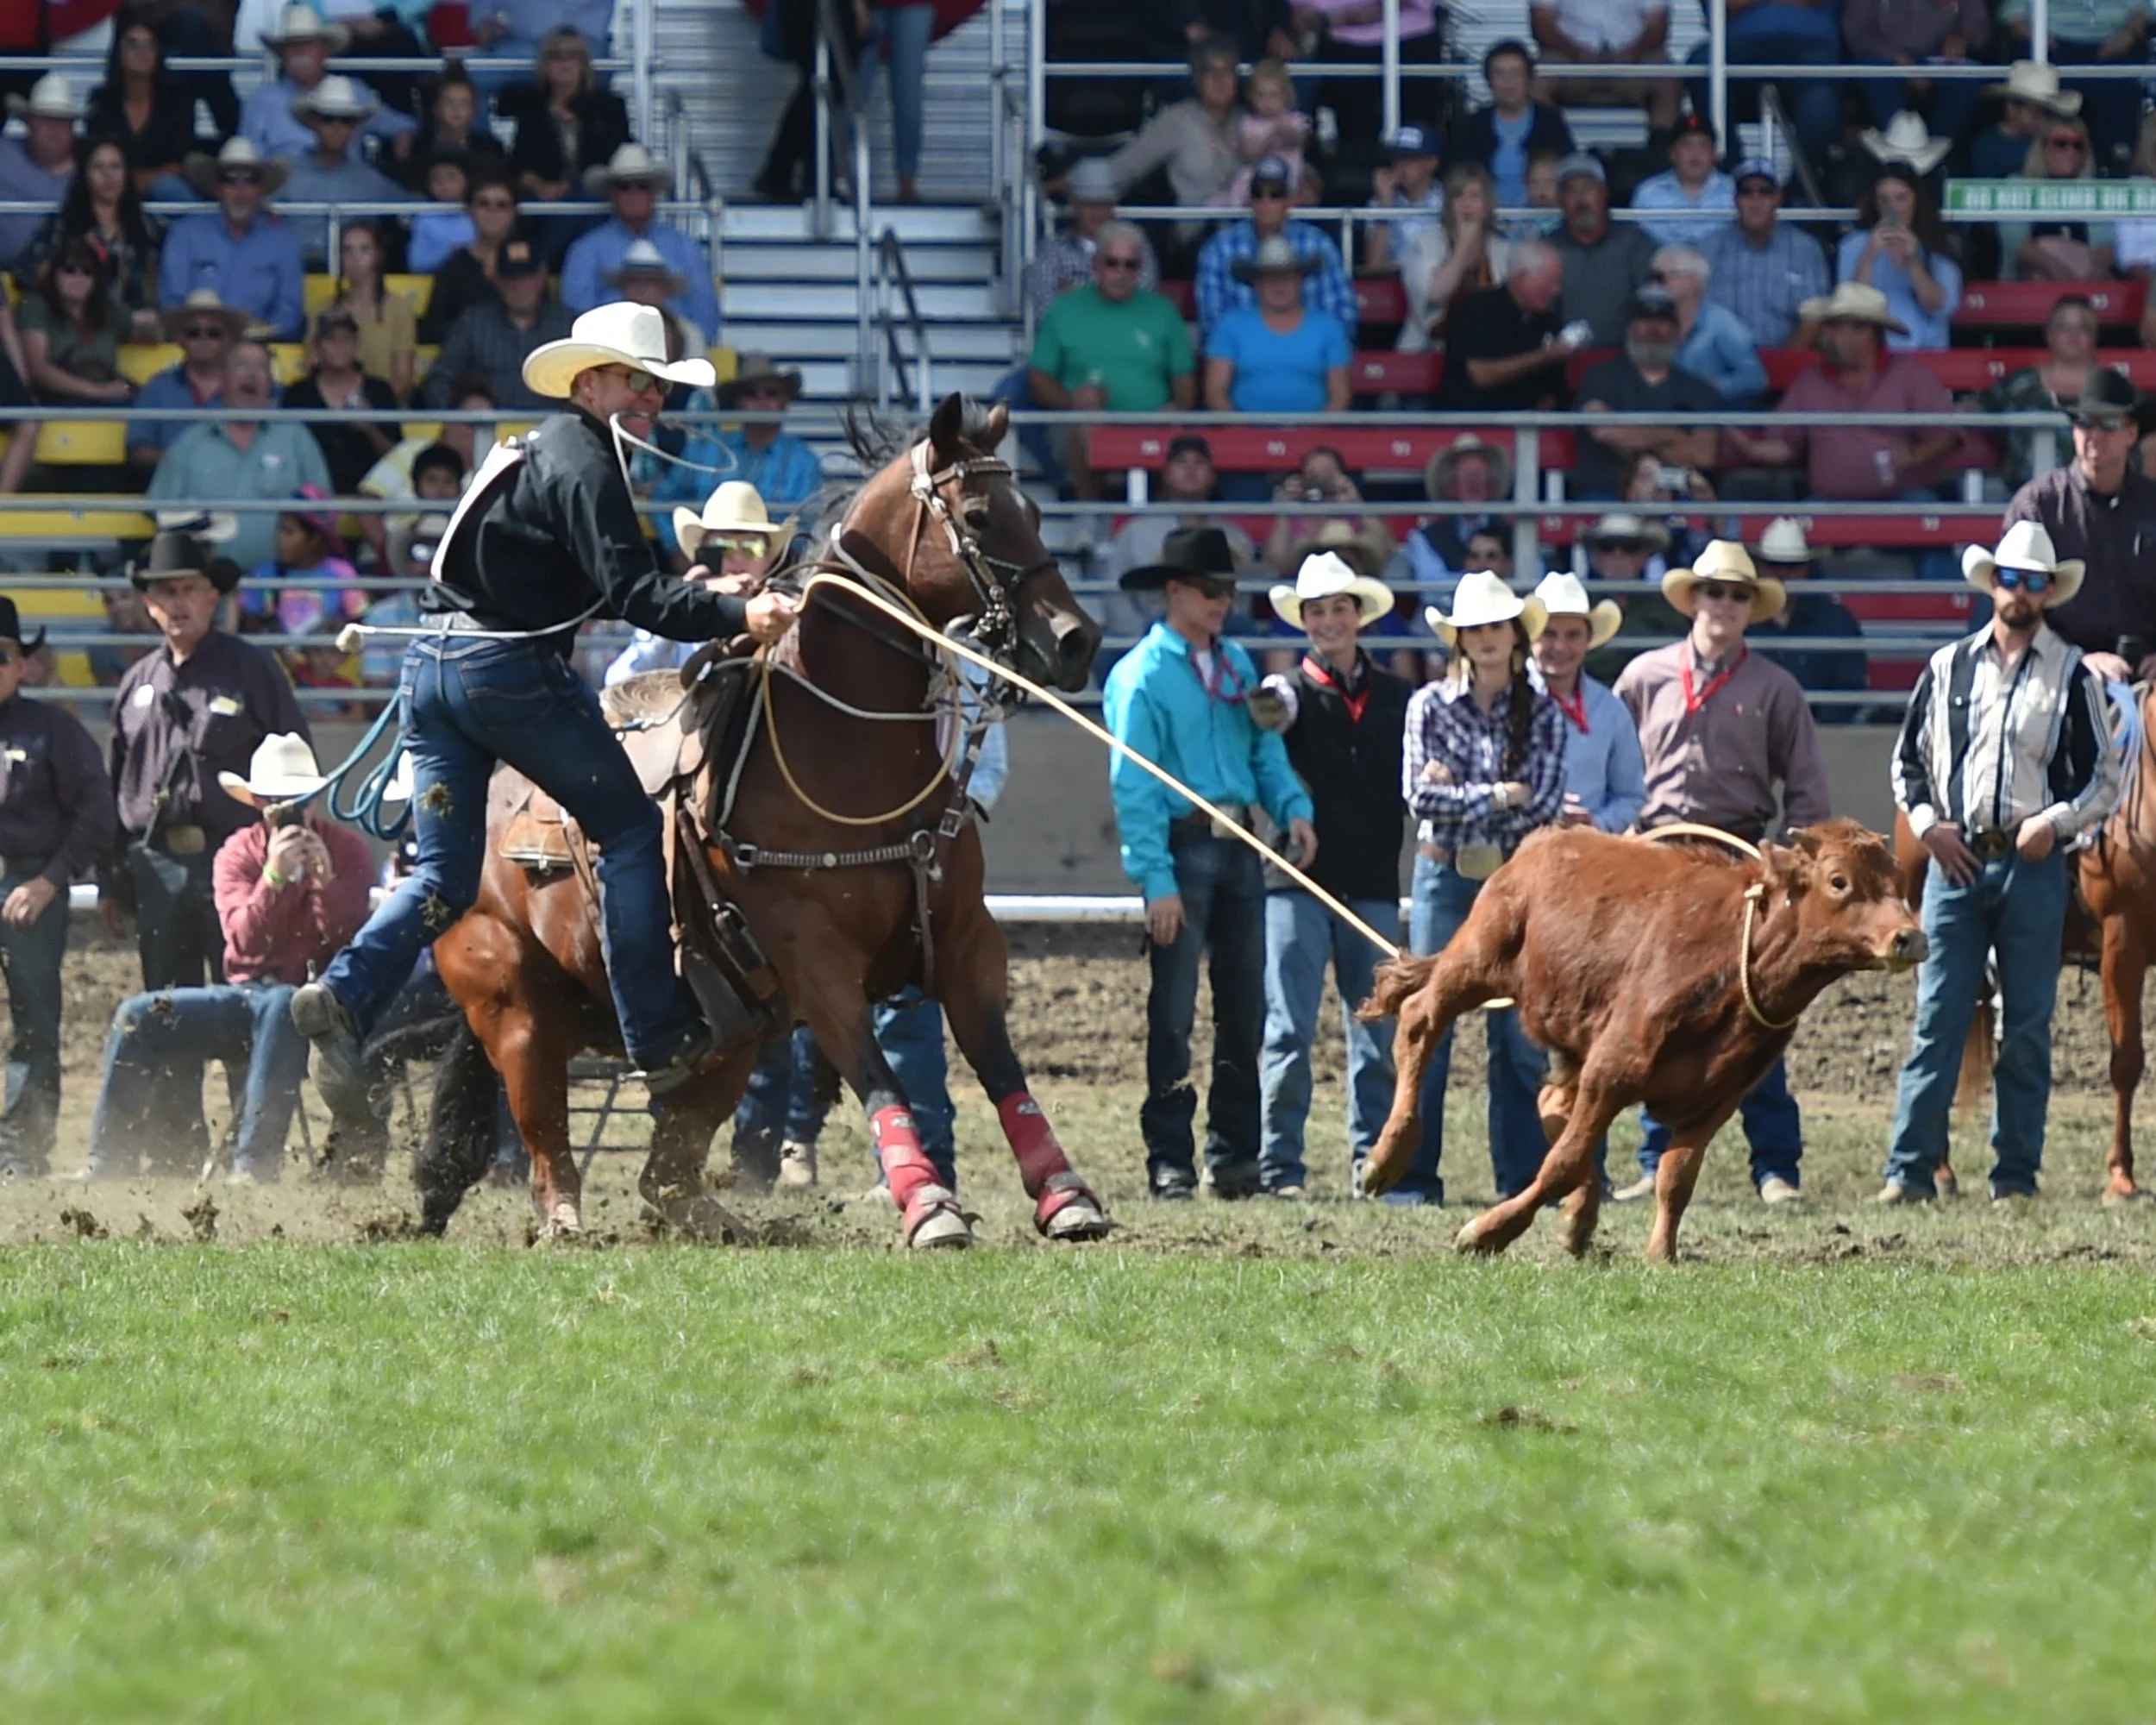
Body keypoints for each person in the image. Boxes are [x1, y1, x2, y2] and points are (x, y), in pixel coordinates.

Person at [289, 303, 802, 1117]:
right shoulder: (588, 460)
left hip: (433, 673)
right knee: (631, 830)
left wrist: (710, 598)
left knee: (445, 876)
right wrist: (741, 616)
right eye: (639, 381)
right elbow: (632, 593)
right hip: (508, 677)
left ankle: (348, 991)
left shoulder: (534, 450)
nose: (652, 399)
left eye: (659, 385)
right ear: (591, 381)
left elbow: (608, 577)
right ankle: (656, 1034)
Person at [1883, 522, 2120, 1206]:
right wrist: (1930, 829)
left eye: (2034, 581)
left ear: (2049, 592)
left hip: (2033, 864)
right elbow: (1908, 765)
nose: (2020, 591)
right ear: (1992, 583)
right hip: (1955, 863)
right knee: (1938, 1017)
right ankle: (1909, 1170)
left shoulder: (2074, 673)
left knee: (2026, 1026)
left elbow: (2103, 776)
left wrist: (2054, 821)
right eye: (2011, 578)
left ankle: (2014, 1175)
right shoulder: (1946, 666)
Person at [1612, 540, 1829, 1207]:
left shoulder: (1776, 688)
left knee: (1756, 1010)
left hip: (1738, 861)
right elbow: (1610, 757)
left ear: (1749, 608)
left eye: (1738, 595)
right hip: (1659, 859)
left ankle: (1775, 1166)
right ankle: (1656, 1159)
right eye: (1715, 592)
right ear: (1694, 599)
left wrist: (1793, 857)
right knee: (1659, 1011)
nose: (1725, 605)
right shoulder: (1643, 678)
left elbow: (1808, 792)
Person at [1102, 526, 1317, 1201]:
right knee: (1173, 1011)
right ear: (1176, 592)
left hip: (1239, 845)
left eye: (1227, 590)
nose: (1223, 601)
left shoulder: (1237, 668)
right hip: (1182, 844)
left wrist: (1291, 807)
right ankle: (1170, 1157)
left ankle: (1233, 1155)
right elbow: (1133, 786)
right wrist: (1155, 879)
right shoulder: (1139, 676)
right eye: (1210, 590)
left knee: (1244, 1009)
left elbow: (1263, 751)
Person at [87, 734, 373, 1184]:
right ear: (258, 800)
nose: (288, 810)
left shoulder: (348, 851)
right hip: (248, 998)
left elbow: (346, 938)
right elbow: (242, 944)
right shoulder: (237, 853)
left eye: (297, 798)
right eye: (277, 800)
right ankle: (107, 1162)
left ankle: (253, 1166)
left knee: (285, 1003)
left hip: (328, 1006)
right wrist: (274, 880)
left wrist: (326, 886)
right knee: (136, 1015)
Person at [103, 520, 311, 1040]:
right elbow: (116, 785)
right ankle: (178, 1125)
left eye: (189, 590)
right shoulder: (135, 684)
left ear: (212, 596)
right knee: (166, 1009)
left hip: (237, 858)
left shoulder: (252, 670)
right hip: (155, 865)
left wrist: (285, 855)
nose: (178, 603)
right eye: (165, 592)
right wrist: (111, 880)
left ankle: (248, 1119)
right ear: (148, 603)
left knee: (242, 999)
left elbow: (297, 765)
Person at [1396, 570, 1566, 1204]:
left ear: (1514, 637)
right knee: (1429, 1026)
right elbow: (1419, 796)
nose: (1487, 637)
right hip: (1448, 875)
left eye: (1497, 626)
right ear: (1461, 639)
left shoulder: (1543, 712)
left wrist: (1458, 793)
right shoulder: (1428, 705)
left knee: (1519, 1037)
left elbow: (1543, 803)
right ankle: (1413, 1178)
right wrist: (1499, 793)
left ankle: (1522, 1180)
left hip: (1513, 882)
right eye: (1476, 629)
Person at [1251, 553, 1410, 1199]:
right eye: (1316, 611)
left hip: (1372, 878)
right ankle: (1279, 1166)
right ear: (1304, 621)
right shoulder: (1284, 694)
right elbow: (1265, 714)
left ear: (1358, 616)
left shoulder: (1400, 696)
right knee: (1287, 1027)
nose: (1328, 621)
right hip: (1296, 878)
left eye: (1338, 608)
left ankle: (1370, 1163)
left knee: (1375, 1028)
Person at [0, 597, 116, 1176]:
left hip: (28, 887)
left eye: (1, 656)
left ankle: (23, 1150)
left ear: (24, 665)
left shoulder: (53, 731)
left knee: (36, 1021)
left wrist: (49, 881)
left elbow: (97, 813)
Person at [1723, 283, 1963, 509]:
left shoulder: (1911, 376)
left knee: (1927, 512)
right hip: (1828, 501)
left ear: (1864, 332)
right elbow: (1787, 445)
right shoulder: (1810, 381)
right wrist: (1751, 449)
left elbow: (1948, 436)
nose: (1824, 335)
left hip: (1905, 498)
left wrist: (1916, 455)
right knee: (1802, 523)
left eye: (1834, 327)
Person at [2002, 368, 2156, 682]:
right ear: (2073, 431)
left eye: (2109, 423)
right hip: (2055, 673)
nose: (2094, 434)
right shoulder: (2038, 505)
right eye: (2084, 421)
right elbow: (2012, 604)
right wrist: (2075, 659)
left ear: (2131, 434)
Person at [1028, 223, 1195, 500]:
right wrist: (1072, 401)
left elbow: (1184, 378)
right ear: (1095, 265)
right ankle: (1090, 514)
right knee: (1084, 425)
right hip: (1081, 425)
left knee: (1182, 442)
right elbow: (1039, 378)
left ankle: (1165, 524)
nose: (1120, 272)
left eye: (1130, 265)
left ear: (1140, 269)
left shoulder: (1163, 311)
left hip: (1151, 422)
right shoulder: (1065, 309)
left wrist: (1178, 407)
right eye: (1112, 262)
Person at [148, 342, 333, 572]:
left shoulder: (297, 439)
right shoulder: (190, 442)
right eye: (241, 365)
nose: (252, 374)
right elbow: (161, 512)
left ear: (271, 382)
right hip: (208, 585)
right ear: (222, 379)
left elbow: (324, 512)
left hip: (283, 588)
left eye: (261, 367)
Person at [1098, 435, 1260, 658]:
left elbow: (1244, 593)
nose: (1190, 470)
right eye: (1181, 462)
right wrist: (1135, 637)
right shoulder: (1136, 531)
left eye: (1199, 463)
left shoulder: (1234, 535)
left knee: (1248, 634)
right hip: (1154, 628)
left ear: (1212, 476)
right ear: (1166, 474)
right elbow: (1115, 590)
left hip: (1221, 627)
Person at [609, 482, 783, 678]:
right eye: (723, 546)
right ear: (704, 554)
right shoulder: (680, 606)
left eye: (753, 547)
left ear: (768, 559)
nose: (738, 559)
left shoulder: (782, 615)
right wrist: (680, 603)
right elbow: (620, 678)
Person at [652, 354, 823, 546]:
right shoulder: (704, 449)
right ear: (738, 402)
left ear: (784, 402)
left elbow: (808, 525)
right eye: (751, 393)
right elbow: (663, 500)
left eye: (771, 393)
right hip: (709, 557)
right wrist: (676, 548)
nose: (762, 400)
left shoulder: (804, 462)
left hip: (778, 563)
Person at [1571, 285, 1720, 502]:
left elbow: (1704, 455)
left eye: (1663, 322)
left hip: (1677, 496)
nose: (1653, 329)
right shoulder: (1599, 378)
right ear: (1630, 327)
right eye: (1644, 321)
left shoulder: (1698, 389)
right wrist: (1673, 435)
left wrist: (1634, 443)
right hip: (1606, 494)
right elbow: (1604, 431)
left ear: (1676, 330)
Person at [1192, 155, 1356, 345]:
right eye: (1258, 193)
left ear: (1293, 199)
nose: (1266, 201)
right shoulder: (1218, 249)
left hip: (1308, 360)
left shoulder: (1319, 245)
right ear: (1249, 199)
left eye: (1276, 193)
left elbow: (1343, 317)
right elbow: (1213, 325)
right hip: (1244, 362)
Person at [562, 144, 720, 340]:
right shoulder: (585, 251)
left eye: (642, 186)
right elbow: (578, 321)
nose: (634, 193)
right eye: (625, 186)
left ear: (653, 193)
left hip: (676, 355)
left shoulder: (686, 247)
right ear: (612, 193)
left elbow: (706, 319)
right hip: (609, 352)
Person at [1527, 570, 1645, 834]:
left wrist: (1595, 824)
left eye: (1572, 635)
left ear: (1588, 639)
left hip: (1586, 858)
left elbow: (1631, 796)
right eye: (1549, 634)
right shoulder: (1502, 699)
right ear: (1530, 637)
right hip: (1511, 853)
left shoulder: (1610, 709)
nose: (1560, 647)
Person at [157, 138, 306, 341]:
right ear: (217, 187)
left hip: (259, 349)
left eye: (250, 179)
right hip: (197, 346)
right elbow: (172, 303)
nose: (241, 189)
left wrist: (263, 334)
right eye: (231, 179)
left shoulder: (284, 242)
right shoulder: (185, 235)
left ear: (261, 189)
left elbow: (289, 313)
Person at [1200, 235, 1350, 424]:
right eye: (1270, 278)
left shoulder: (1328, 327)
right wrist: (1240, 429)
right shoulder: (1230, 325)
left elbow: (1340, 394)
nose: (1279, 286)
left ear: (1300, 281)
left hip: (1315, 437)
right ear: (1256, 285)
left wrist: (1318, 432)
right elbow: (1215, 390)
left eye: (1287, 278)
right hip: (1244, 435)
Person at [501, 25, 630, 244]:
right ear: (545, 64)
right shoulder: (532, 108)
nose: (564, 62)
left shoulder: (608, 107)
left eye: (573, 55)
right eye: (555, 56)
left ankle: (539, 259)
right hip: (547, 200)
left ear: (584, 63)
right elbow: (518, 165)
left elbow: (621, 157)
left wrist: (574, 187)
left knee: (587, 204)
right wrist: (541, 186)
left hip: (594, 196)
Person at [15, 135, 161, 329]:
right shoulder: (62, 223)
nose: (108, 176)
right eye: (98, 167)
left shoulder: (147, 227)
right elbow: (23, 273)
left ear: (127, 173)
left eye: (115, 167)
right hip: (73, 325)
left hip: (132, 324)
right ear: (85, 175)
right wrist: (70, 257)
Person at [241, 5, 416, 166]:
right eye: (292, 47)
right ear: (282, 55)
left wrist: (405, 135)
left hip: (347, 190)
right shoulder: (261, 101)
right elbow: (249, 157)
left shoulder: (353, 91)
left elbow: (397, 123)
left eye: (308, 45)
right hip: (287, 193)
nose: (300, 53)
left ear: (324, 52)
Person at [419, 237, 574, 410]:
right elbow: (439, 380)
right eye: (511, 277)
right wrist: (461, 419)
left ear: (542, 276)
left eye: (527, 276)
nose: (519, 286)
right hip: (486, 432)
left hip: (554, 431)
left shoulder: (567, 326)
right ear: (497, 280)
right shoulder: (473, 323)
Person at [275, 76, 413, 270]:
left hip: (352, 276)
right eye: (328, 119)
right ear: (313, 122)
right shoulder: (285, 174)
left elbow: (414, 206)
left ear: (355, 127)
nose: (337, 128)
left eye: (347, 120)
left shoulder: (371, 180)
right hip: (294, 274)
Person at [1685, 0, 1841, 166]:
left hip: (1809, 43)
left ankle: (1803, 183)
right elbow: (1724, 5)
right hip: (1741, 40)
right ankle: (1730, 173)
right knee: (1702, 65)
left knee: (1820, 98)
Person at [1102, 34, 1243, 216]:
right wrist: (1078, 182)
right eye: (1209, 72)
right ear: (1196, 80)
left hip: (1249, 231)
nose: (1219, 80)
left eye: (1226, 71)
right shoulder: (1177, 119)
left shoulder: (1251, 119)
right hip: (1197, 233)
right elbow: (1124, 168)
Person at [1997, 0, 2148, 169]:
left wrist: (2129, 34)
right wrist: (2038, 37)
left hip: (2115, 44)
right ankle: (2035, 165)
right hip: (2051, 43)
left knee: (2119, 88)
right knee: (2041, 88)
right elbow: (2013, 12)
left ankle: (2115, 165)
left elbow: (2143, 8)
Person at [1701, 157, 1830, 351]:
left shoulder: (1806, 249)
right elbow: (1695, 313)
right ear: (1735, 200)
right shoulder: (1708, 248)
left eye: (1765, 191)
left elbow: (1815, 318)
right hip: (1722, 364)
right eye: (1747, 191)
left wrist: (1782, 363)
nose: (1755, 200)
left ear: (1778, 198)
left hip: (1788, 363)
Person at [1745, 517, 1869, 719]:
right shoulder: (1738, 618)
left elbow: (1850, 688)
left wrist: (1816, 731)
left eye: (1792, 566)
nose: (1782, 574)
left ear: (1807, 568)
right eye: (1773, 565)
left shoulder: (1835, 621)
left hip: (1821, 737)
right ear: (1759, 567)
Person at [1433, 239, 1576, 412]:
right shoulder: (1476, 309)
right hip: (1472, 421)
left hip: (1530, 427)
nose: (1556, 290)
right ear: (1521, 276)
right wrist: (1545, 356)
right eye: (1550, 282)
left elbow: (1554, 391)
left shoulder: (1548, 321)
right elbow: (1481, 375)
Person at [1837, 160, 1963, 351]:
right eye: (1884, 200)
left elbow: (1938, 308)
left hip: (1928, 354)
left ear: (1917, 201)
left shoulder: (1937, 245)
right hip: (1873, 358)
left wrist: (1913, 261)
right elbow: (1851, 308)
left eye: (1901, 198)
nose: (1892, 208)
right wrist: (1869, 256)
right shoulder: (1853, 245)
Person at [88, 11, 210, 203]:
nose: (142, 51)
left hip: (161, 192)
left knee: (168, 187)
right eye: (133, 44)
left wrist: (136, 181)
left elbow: (180, 164)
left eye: (149, 44)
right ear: (118, 52)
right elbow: (98, 156)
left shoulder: (178, 98)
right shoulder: (102, 101)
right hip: (112, 191)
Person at [283, 304, 402, 496]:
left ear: (356, 345)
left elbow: (398, 458)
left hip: (372, 500)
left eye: (347, 339)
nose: (340, 346)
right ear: (318, 346)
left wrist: (370, 429)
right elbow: (286, 453)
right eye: (331, 339)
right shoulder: (298, 393)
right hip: (310, 501)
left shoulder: (380, 390)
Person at [1984, 297, 2099, 493]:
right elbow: (1982, 417)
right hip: (2021, 497)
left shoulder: (2115, 389)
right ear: (2049, 335)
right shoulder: (2017, 385)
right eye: (2064, 327)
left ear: (2095, 337)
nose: (2074, 335)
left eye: (2084, 327)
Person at [1396, 160, 1512, 353]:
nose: (1467, 204)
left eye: (1475, 196)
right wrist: (1463, 248)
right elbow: (1435, 295)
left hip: (1491, 350)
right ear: (1449, 205)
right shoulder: (1424, 245)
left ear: (1487, 203)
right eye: (1458, 196)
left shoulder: (1504, 250)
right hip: (1432, 347)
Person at [1445, 39, 1575, 210]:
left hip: (1543, 219)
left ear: (1529, 79)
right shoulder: (1474, 125)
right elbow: (1459, 175)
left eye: (1516, 73)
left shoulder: (1550, 121)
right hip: (1486, 218)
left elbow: (1570, 170)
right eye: (1500, 74)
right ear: (1489, 81)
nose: (1509, 82)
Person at [1025, 158, 1160, 317]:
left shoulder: (1137, 246)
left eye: (1105, 203)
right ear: (1074, 204)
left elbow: (1142, 302)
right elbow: (1045, 310)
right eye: (1090, 203)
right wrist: (1113, 292)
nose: (1099, 212)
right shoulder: (1051, 249)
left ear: (1114, 203)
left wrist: (1074, 293)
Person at [128, 289, 244, 473]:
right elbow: (138, 450)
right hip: (173, 492)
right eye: (193, 332)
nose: (203, 338)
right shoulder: (157, 388)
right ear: (180, 338)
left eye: (213, 332)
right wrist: (181, 462)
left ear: (228, 339)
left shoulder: (247, 388)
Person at [1548, 153, 1658, 346]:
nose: (1581, 199)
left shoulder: (1635, 243)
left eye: (1588, 189)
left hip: (1627, 362)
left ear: (1604, 193)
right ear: (1560, 199)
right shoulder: (1547, 249)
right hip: (1559, 365)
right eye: (1571, 191)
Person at [1844, 0, 1989, 144]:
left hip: (1939, 57)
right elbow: (1856, 31)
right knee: (1876, 75)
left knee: (1967, 78)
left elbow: (1978, 23)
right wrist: (1896, 56)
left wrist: (1963, 36)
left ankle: (1941, 153)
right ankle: (1898, 152)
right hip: (1885, 56)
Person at [1996, 110, 2116, 282]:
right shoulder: (2017, 186)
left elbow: (2105, 247)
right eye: (2061, 143)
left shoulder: (2095, 191)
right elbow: (2017, 244)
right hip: (2029, 279)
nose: (2070, 151)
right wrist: (2058, 271)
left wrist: (2087, 279)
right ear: (2042, 148)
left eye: (2078, 145)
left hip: (2086, 279)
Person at [1530, 0, 1679, 131]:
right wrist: (1574, 52)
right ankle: (1548, 152)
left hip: (1633, 61)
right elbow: (1542, 21)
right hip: (1570, 59)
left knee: (1667, 79)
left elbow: (1658, 24)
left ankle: (1661, 151)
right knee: (1538, 80)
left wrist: (1632, 53)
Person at [1578, 511, 1688, 684]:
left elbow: (1680, 654)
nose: (1618, 556)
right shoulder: (1578, 602)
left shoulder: (1665, 603)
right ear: (1595, 556)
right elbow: (1578, 660)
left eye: (1629, 547)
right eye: (1607, 547)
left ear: (1645, 555)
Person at [1654, 244, 1764, 405]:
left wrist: (1708, 387)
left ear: (1695, 280)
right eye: (1656, 277)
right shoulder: (1652, 321)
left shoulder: (1723, 323)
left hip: (1715, 415)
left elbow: (1755, 379)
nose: (1659, 284)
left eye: (1670, 275)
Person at [419, 170, 521, 343]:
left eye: (502, 205)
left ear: (513, 213)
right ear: (470, 210)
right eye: (484, 204)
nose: (492, 211)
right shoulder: (454, 267)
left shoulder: (528, 261)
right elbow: (433, 327)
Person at [1407, 436, 1512, 603]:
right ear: (1450, 487)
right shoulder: (1424, 538)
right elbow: (1432, 592)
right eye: (1466, 476)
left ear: (1490, 485)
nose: (1473, 483)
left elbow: (1533, 576)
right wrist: (1491, 579)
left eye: (1479, 475)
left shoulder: (1514, 533)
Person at [856, 0, 937, 204]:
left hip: (913, 6)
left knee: (908, 97)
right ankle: (832, 173)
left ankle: (907, 183)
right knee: (852, 94)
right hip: (870, 6)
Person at [0, 75, 82, 274]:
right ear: (29, 123)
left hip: (72, 277)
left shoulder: (92, 168)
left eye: (61, 121)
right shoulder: (4, 153)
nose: (54, 128)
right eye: (45, 119)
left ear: (72, 128)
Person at [336, 220, 419, 402]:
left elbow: (403, 380)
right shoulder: (325, 310)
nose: (355, 257)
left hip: (385, 413)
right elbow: (312, 371)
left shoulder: (400, 310)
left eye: (364, 249)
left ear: (378, 255)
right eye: (347, 250)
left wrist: (374, 410)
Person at [1213, 58, 1309, 208]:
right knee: (1243, 179)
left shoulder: (1293, 119)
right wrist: (1269, 139)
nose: (1268, 102)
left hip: (1287, 174)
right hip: (1257, 174)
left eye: (1274, 95)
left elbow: (1300, 138)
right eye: (1261, 96)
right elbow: (1249, 152)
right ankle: (1234, 211)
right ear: (1252, 97)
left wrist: (1284, 131)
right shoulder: (1249, 122)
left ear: (1285, 96)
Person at [1631, 114, 1735, 249]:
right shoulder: (1648, 193)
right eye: (1687, 145)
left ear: (1715, 153)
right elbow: (1641, 245)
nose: (1695, 153)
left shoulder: (1734, 190)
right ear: (1672, 153)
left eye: (1703, 146)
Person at [1971, 59, 2084, 179]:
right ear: (2011, 107)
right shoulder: (1987, 146)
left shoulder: (2058, 142)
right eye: (2035, 111)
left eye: (2046, 111)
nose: (2041, 117)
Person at [406, 61, 505, 189]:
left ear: (473, 109)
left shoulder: (490, 148)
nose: (456, 109)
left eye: (464, 103)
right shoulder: (419, 146)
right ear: (436, 108)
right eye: (449, 102)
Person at [1363, 124, 1444, 273]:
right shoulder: (1379, 202)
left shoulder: (1448, 201)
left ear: (1432, 163)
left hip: (1434, 284)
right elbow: (1373, 267)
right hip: (1391, 284)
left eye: (1411, 160)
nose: (1401, 167)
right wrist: (1385, 207)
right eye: (1398, 159)